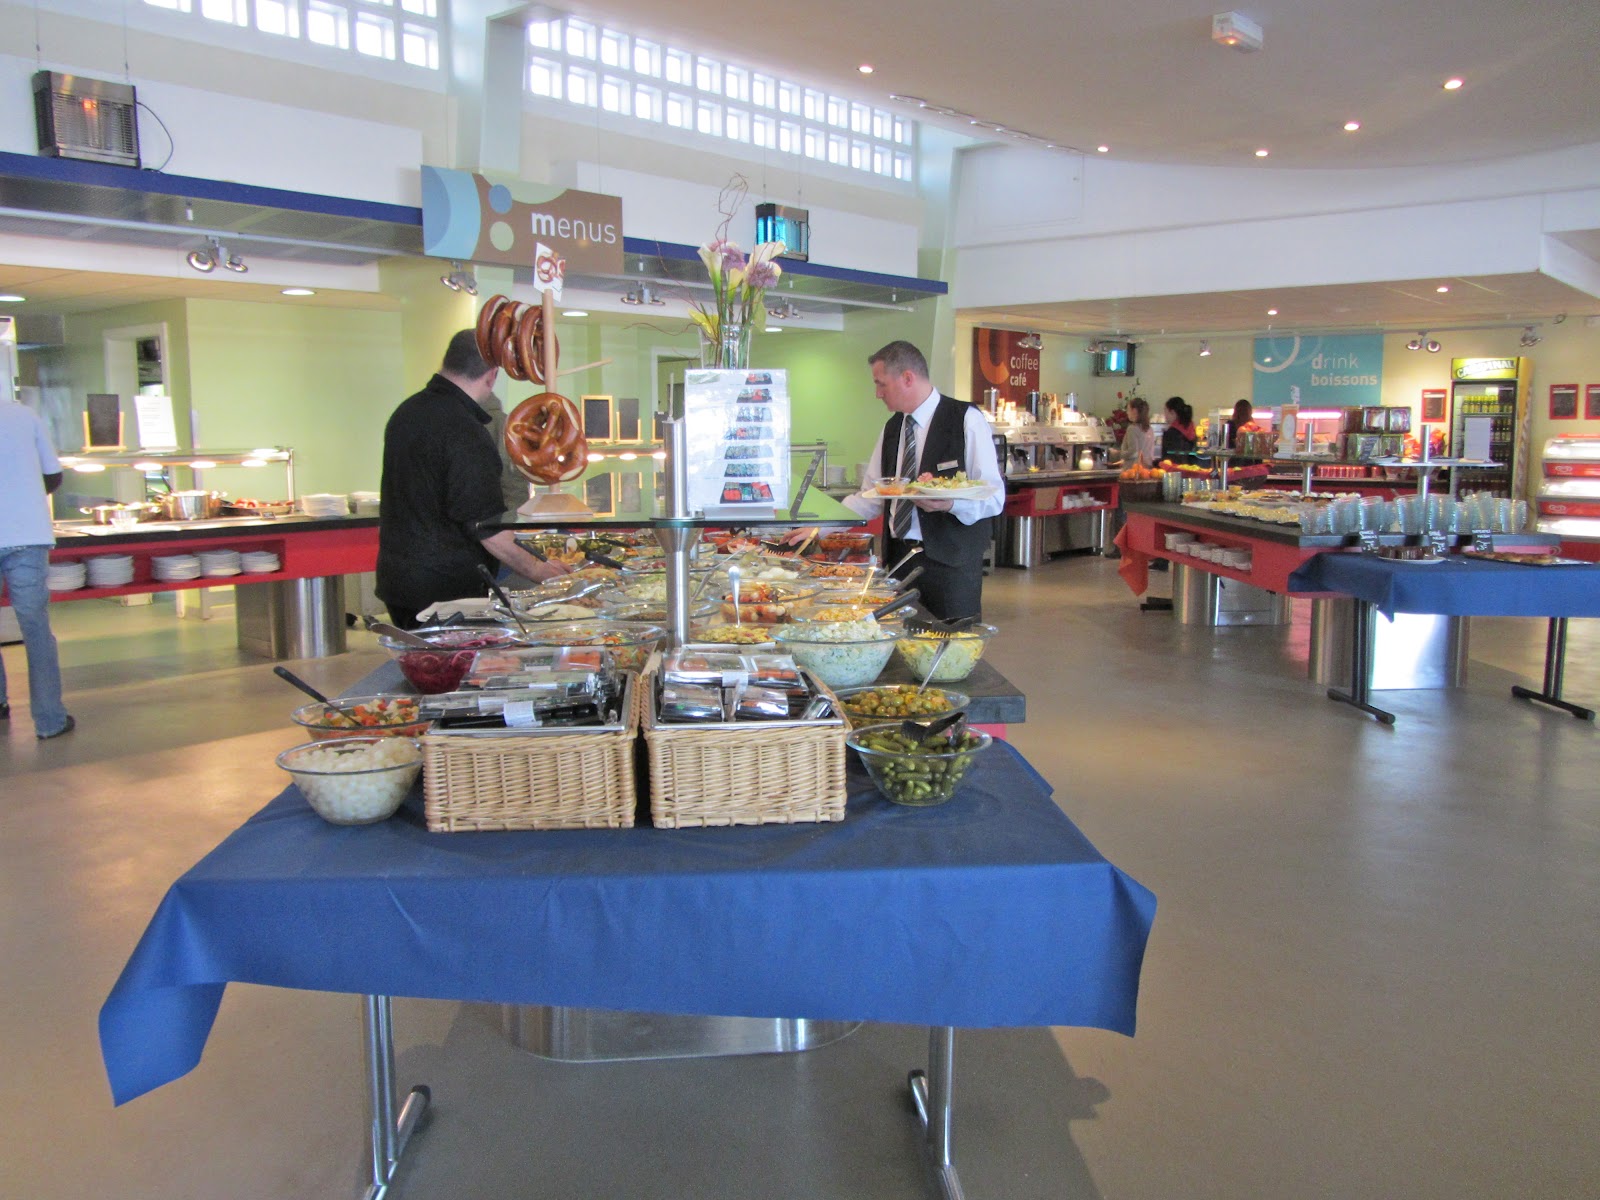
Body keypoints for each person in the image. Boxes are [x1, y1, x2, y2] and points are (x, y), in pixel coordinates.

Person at [376, 330, 570, 629]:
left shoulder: (407, 412)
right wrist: (538, 570)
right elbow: (484, 525)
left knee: (422, 668)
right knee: (454, 670)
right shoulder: (465, 430)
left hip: (398, 580)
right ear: (492, 376)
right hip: (444, 592)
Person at [841, 341, 1004, 621]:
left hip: (951, 564)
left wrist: (950, 503)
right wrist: (819, 526)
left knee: (951, 648)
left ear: (907, 378)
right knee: (902, 645)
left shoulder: (966, 419)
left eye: (881, 384)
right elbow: (872, 495)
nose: (877, 394)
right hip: (900, 559)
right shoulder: (893, 427)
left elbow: (994, 497)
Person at [0, 400, 75, 739]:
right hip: (27, 535)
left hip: (23, 532)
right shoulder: (25, 413)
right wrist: (22, 493)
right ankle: (49, 720)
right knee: (36, 629)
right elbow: (54, 476)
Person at [1114, 397, 1158, 469]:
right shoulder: (1150, 429)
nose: (1127, 412)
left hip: (1134, 469)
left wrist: (1120, 454)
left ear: (1134, 411)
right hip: (1148, 467)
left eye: (1128, 410)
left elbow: (1133, 451)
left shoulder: (1132, 428)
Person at [1161, 397, 1199, 463]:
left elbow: (1168, 460)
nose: (1165, 415)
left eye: (1166, 412)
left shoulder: (1171, 433)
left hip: (1174, 471)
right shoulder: (1191, 428)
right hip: (1189, 470)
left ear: (1172, 412)